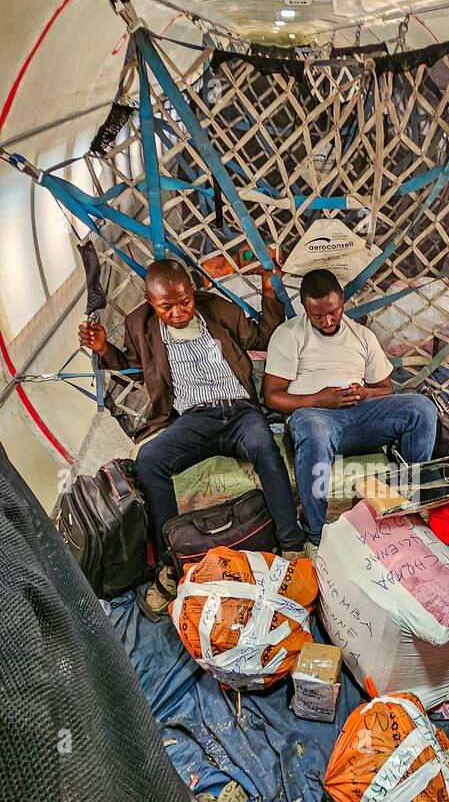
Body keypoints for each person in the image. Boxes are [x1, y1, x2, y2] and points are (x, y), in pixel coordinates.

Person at [79, 258, 304, 618]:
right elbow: (129, 364)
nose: (179, 311)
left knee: (264, 446)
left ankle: (292, 546)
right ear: (151, 302)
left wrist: (268, 294)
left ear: (193, 291)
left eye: (184, 301)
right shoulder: (140, 324)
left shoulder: (217, 310)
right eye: (167, 306)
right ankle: (173, 564)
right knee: (150, 461)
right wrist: (104, 349)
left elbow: (263, 335)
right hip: (194, 419)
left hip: (239, 410)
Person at [262, 268, 437, 549]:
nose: (328, 321)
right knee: (313, 428)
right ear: (305, 307)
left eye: (334, 311)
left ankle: (409, 508)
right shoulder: (289, 334)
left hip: (361, 416)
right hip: (315, 416)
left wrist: (366, 393)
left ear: (342, 301)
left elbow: (385, 388)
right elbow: (272, 397)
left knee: (421, 408)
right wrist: (319, 399)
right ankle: (317, 535)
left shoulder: (362, 336)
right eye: (317, 316)